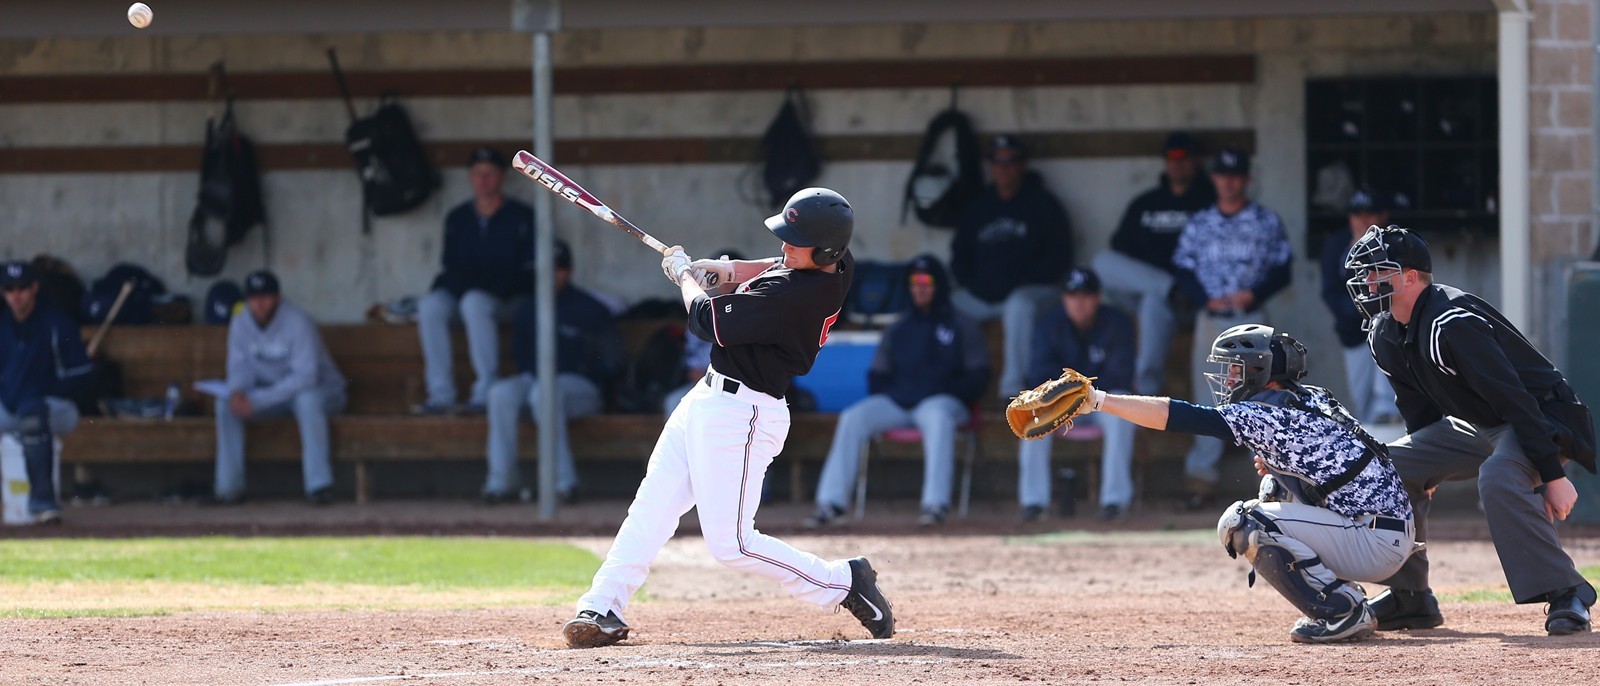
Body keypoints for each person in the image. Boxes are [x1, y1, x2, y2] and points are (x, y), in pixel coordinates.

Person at [562, 188, 894, 648]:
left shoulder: (791, 296)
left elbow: (702, 317)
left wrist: (684, 275)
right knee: (652, 507)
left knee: (732, 543)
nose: (783, 246)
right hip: (708, 398)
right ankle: (603, 606)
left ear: (825, 249)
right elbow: (779, 264)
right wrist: (731, 270)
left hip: (744, 414)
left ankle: (844, 580)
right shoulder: (833, 262)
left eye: (794, 240)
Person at [1070, 324, 1416, 643]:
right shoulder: (1313, 396)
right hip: (1387, 530)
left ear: (1262, 372)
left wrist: (1099, 401)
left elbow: (1175, 415)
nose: (1228, 378)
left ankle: (1342, 610)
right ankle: (1348, 597)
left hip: (1372, 542)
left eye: (1236, 369)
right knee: (1273, 489)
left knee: (1244, 522)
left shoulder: (1263, 414)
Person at [1344, 225, 1597, 636]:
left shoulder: (1452, 322)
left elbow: (1516, 401)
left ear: (1410, 277)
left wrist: (1552, 474)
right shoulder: (1384, 332)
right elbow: (1418, 406)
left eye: (1378, 272)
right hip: (1479, 424)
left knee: (1498, 476)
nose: (1368, 281)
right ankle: (1412, 597)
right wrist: (1427, 469)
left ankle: (1567, 591)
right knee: (1387, 467)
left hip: (1542, 416)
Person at [805, 254, 989, 528]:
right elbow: (877, 376)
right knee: (853, 418)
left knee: (937, 417)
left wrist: (941, 390)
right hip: (900, 403)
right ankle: (831, 504)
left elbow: (979, 376)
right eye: (915, 282)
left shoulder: (962, 324)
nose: (920, 287)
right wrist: (901, 391)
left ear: (939, 285)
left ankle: (934, 505)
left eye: (927, 281)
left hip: (943, 403)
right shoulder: (899, 327)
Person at [1171, 147, 1292, 509]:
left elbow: (1282, 269)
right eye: (1223, 175)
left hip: (1253, 319)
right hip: (1213, 320)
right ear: (1214, 179)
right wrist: (1203, 299)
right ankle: (1200, 482)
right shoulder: (1200, 222)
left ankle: (1274, 481)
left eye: (1236, 175)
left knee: (1264, 397)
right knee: (1206, 397)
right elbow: (1182, 267)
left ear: (1246, 179)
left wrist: (1253, 292)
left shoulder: (1265, 221)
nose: (1229, 182)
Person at [482, 241, 622, 504]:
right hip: (537, 383)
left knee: (543, 394)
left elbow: (611, 361)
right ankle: (500, 482)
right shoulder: (528, 308)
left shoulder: (589, 309)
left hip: (582, 389)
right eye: (545, 269)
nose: (550, 275)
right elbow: (520, 355)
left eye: (556, 269)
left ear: (567, 271)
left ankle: (564, 484)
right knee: (500, 394)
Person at [950, 134, 1074, 401]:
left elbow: (1061, 257)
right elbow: (958, 257)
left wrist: (1023, 279)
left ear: (1022, 165)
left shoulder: (1044, 204)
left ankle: (1013, 389)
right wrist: (975, 283)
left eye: (1010, 161)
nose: (1004, 167)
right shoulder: (979, 207)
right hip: (983, 296)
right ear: (991, 166)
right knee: (946, 305)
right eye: (998, 161)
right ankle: (947, 385)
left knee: (1020, 305)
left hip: (1030, 291)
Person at [1093, 132, 1217, 395]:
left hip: (1193, 299)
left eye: (1184, 157)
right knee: (1101, 262)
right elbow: (1120, 250)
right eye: (1171, 157)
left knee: (1153, 301)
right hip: (1157, 291)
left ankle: (1147, 392)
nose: (1177, 163)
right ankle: (1169, 288)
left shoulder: (1210, 202)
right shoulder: (1145, 203)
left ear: (1197, 161)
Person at [414, 147, 535, 415]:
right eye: (477, 174)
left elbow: (527, 274)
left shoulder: (522, 216)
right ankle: (440, 394)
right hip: (468, 294)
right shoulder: (458, 217)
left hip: (507, 300)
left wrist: (486, 283)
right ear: (470, 177)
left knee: (475, 302)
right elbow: (451, 269)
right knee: (431, 305)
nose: (483, 180)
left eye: (489, 174)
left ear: (502, 177)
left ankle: (484, 392)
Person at [215, 270, 348, 505]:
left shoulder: (298, 322)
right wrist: (237, 392)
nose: (260, 304)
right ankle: (228, 489)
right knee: (226, 404)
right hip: (273, 397)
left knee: (307, 400)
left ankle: (319, 487)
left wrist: (257, 401)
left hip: (323, 393)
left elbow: (306, 377)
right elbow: (238, 368)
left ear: (278, 297)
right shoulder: (240, 323)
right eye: (254, 298)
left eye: (265, 297)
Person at [1016, 268, 1138, 522]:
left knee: (1121, 415)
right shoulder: (1049, 324)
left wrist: (1082, 393)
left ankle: (1114, 502)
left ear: (1097, 298)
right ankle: (1034, 503)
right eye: (1073, 296)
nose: (1079, 302)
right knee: (1032, 416)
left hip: (1100, 401)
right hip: (1061, 404)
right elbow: (1039, 374)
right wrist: (1068, 396)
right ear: (1064, 299)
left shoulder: (1117, 323)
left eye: (1085, 296)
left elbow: (1121, 375)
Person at [0, 261, 91, 524]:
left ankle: (43, 504)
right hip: (9, 406)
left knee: (32, 413)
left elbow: (82, 376)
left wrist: (38, 390)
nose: (16, 296)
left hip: (57, 408)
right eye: (9, 289)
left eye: (23, 288)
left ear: (35, 288)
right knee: (25, 409)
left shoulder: (57, 323)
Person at [1318, 187, 1400, 425]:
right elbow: (1330, 292)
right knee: (1361, 399)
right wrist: (1360, 310)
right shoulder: (1337, 246)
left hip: (1391, 328)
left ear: (1383, 216)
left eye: (1370, 214)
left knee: (1388, 402)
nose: (1362, 220)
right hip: (1354, 331)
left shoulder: (1396, 242)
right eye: (1357, 214)